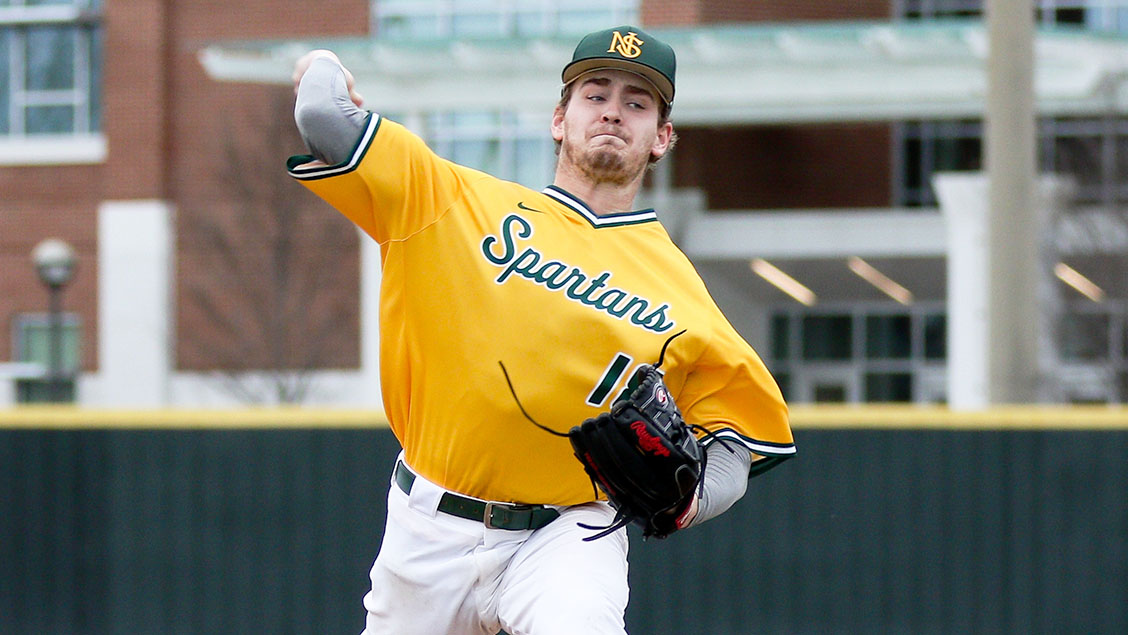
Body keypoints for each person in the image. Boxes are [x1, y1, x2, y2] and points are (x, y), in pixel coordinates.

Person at [288, 25, 795, 635]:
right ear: (559, 119)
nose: (613, 111)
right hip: (426, 529)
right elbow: (322, 112)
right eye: (595, 94)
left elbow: (740, 443)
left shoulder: (682, 292)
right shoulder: (451, 200)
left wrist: (689, 503)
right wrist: (320, 60)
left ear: (661, 137)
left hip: (569, 531)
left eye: (637, 103)